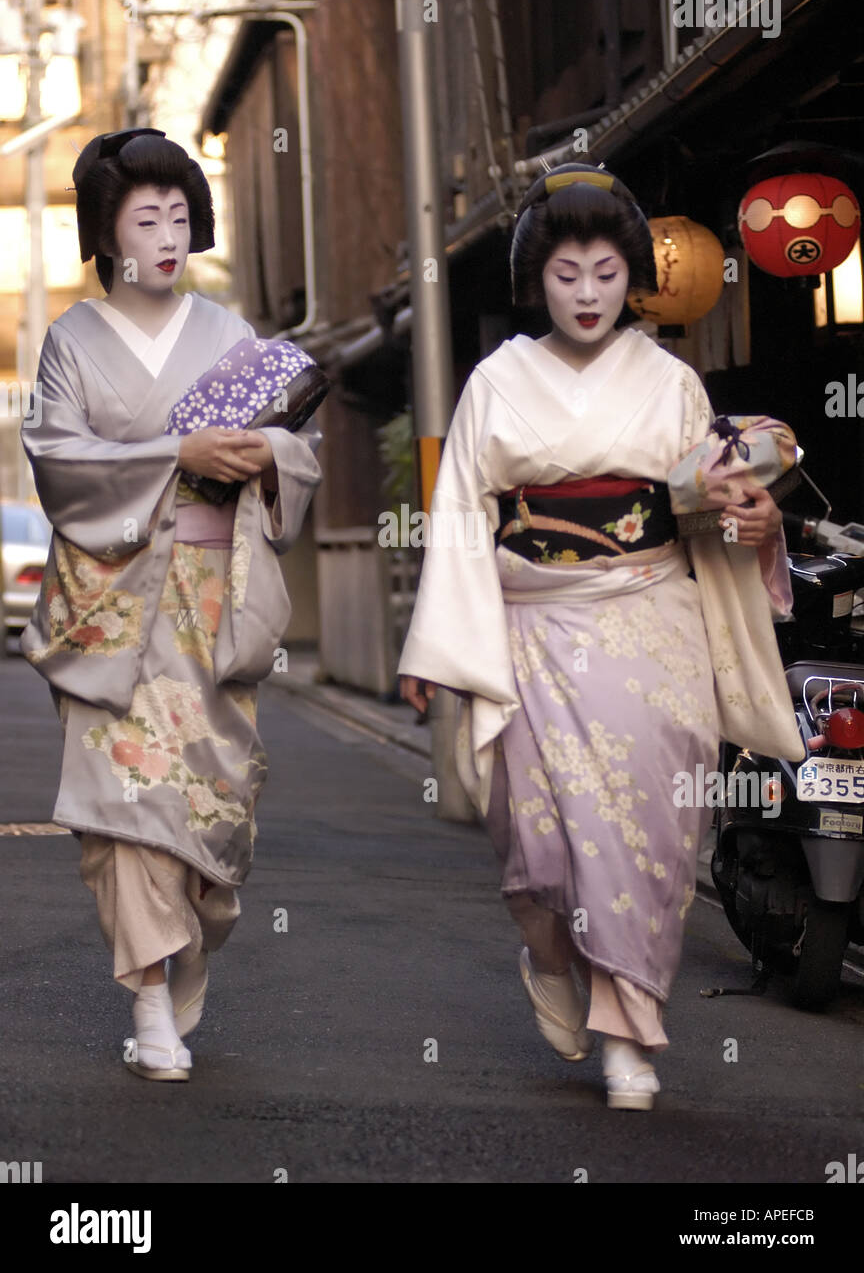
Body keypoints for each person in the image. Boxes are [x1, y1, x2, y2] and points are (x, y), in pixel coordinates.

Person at [398, 164, 802, 1111]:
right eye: (567, 274)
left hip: (650, 620)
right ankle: (546, 951)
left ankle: (631, 1032)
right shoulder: (497, 382)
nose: (586, 294)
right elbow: (461, 514)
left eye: (607, 273)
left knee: (645, 832)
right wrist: (435, 649)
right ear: (536, 278)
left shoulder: (671, 383)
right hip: (530, 618)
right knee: (536, 847)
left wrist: (757, 525)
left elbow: (708, 506)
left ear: (634, 278)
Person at [20, 128, 322, 1081]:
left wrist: (269, 456)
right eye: (144, 217)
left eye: (180, 217)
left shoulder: (230, 335)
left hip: (208, 602)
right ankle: (149, 1001)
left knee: (207, 817)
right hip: (108, 605)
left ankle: (190, 939)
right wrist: (172, 456)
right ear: (107, 234)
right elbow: (58, 462)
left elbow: (296, 452)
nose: (165, 235)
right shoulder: (72, 340)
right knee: (120, 816)